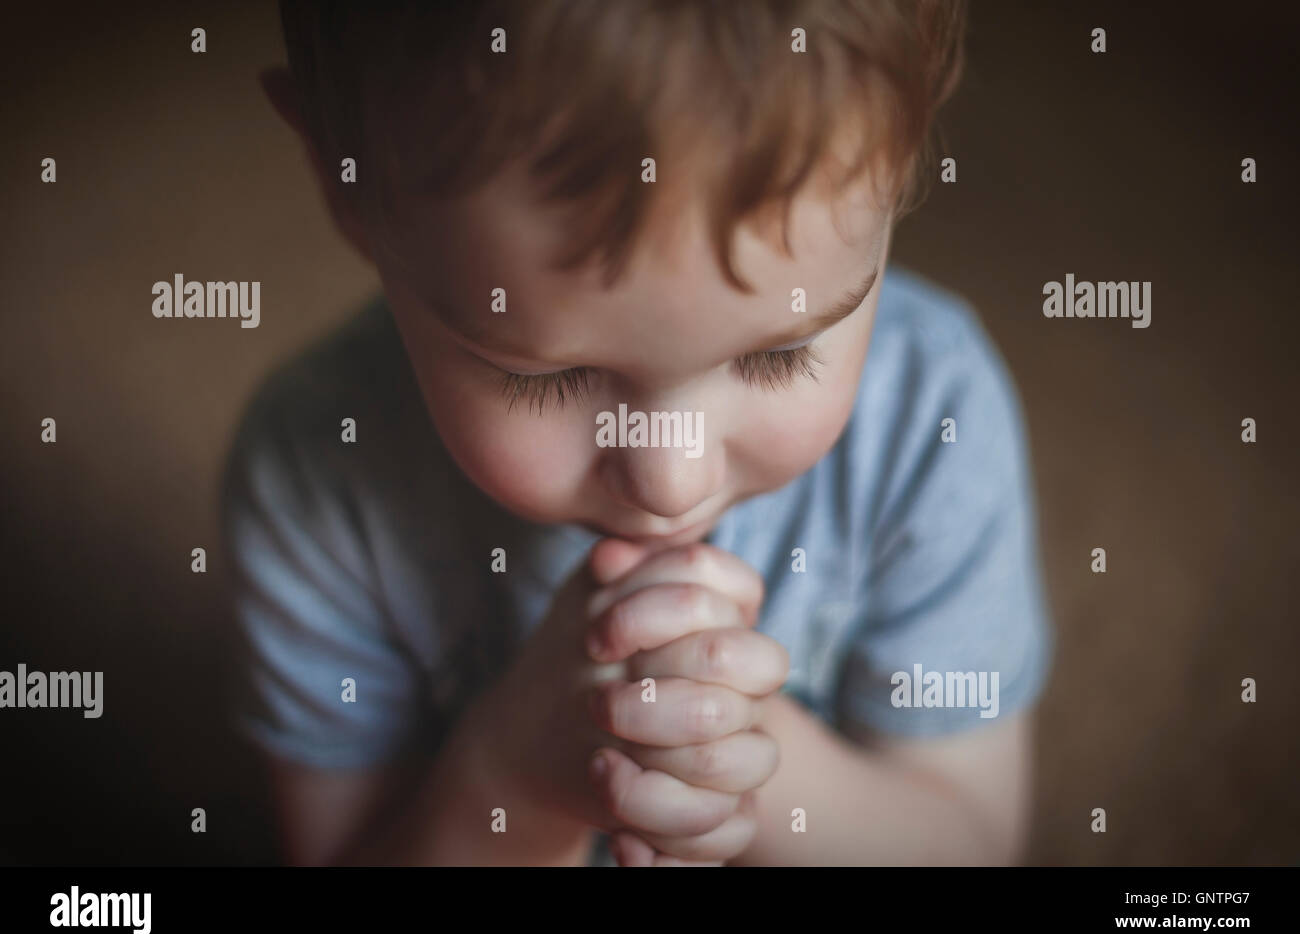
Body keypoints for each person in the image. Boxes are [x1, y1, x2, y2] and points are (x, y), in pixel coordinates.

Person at [220, 0, 1052, 866]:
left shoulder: (930, 422)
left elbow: (972, 841)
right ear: (340, 180)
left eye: (780, 357)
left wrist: (738, 756)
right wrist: (511, 778)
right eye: (544, 376)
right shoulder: (318, 477)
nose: (670, 480)